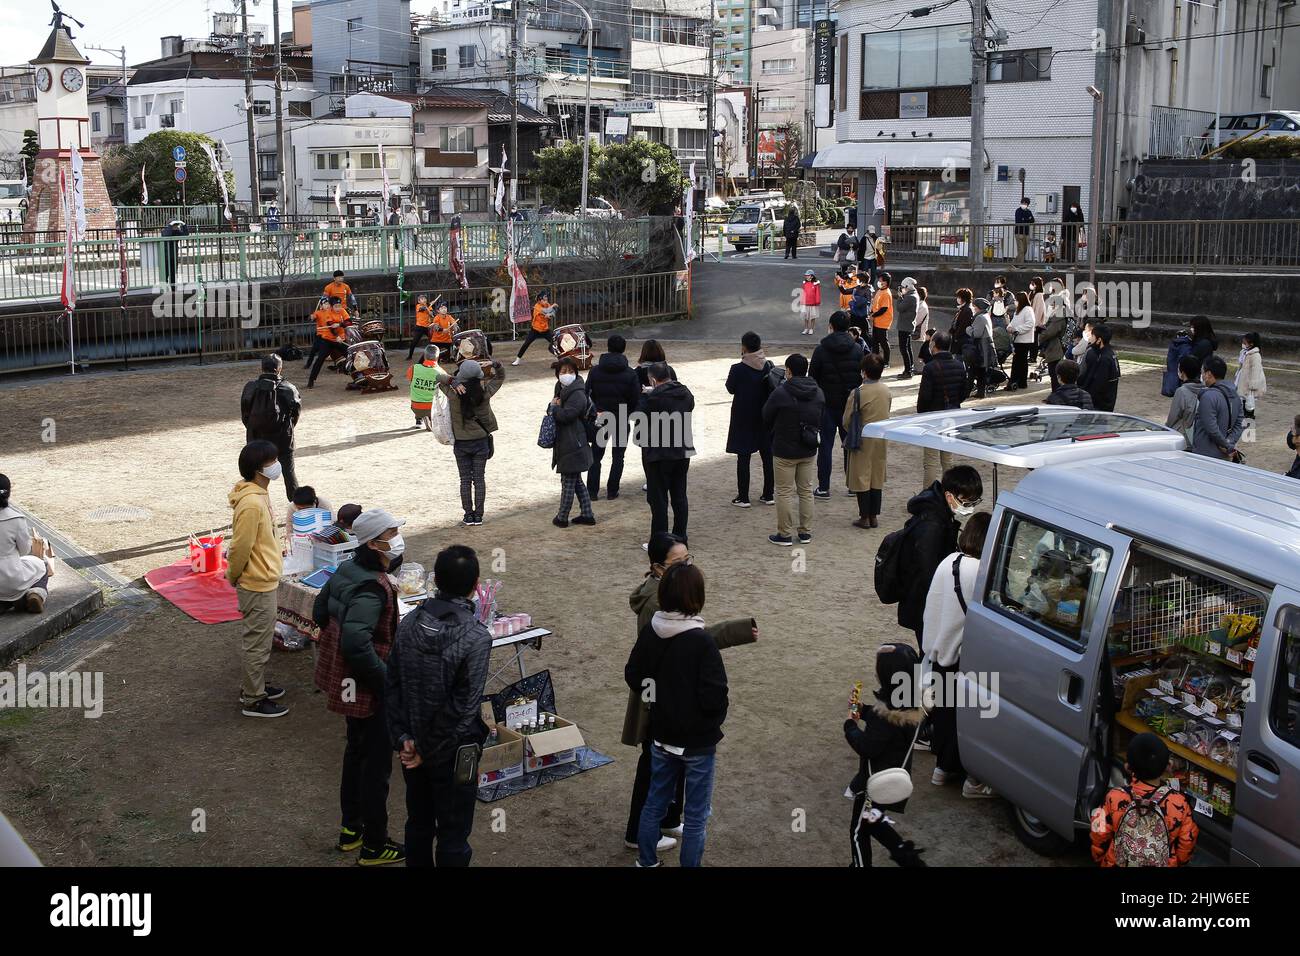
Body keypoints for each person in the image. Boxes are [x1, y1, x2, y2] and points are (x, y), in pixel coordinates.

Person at [623, 533, 756, 852]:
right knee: (654, 766)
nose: (686, 567)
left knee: (669, 761)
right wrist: (735, 631)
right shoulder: (659, 601)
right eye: (678, 563)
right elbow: (685, 641)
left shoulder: (665, 592)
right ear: (657, 568)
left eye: (688, 560)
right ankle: (639, 833)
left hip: (663, 693)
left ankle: (667, 819)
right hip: (662, 695)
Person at [387, 545, 493, 868]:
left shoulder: (410, 623)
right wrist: (422, 748)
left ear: (436, 580)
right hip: (452, 753)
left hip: (413, 747)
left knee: (419, 822)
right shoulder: (476, 638)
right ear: (476, 585)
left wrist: (406, 738)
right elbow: (463, 709)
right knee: (452, 832)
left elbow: (393, 686)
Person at [312, 509, 407, 866]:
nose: (398, 540)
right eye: (393, 533)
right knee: (376, 768)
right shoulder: (372, 586)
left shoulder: (348, 569)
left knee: (356, 754)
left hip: (348, 683)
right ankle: (374, 845)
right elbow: (356, 644)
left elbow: (321, 609)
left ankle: (350, 829)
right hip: (369, 687)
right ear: (374, 542)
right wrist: (386, 684)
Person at [625, 562, 728, 868]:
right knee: (696, 817)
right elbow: (715, 696)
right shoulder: (701, 642)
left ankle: (646, 861)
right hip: (696, 742)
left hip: (660, 735)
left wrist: (655, 699)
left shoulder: (651, 632)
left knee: (654, 803)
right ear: (697, 597)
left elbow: (634, 675)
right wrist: (709, 723)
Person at [921, 512, 993, 796]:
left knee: (945, 715)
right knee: (971, 718)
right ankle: (972, 780)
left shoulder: (948, 562)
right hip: (964, 657)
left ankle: (942, 768)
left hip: (938, 652)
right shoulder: (979, 572)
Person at [844, 643, 928, 868]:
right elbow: (888, 722)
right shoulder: (909, 704)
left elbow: (867, 746)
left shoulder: (885, 717)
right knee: (874, 822)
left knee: (859, 830)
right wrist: (864, 711)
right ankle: (907, 858)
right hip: (895, 774)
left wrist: (850, 726)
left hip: (875, 782)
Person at [226, 441, 289, 719]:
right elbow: (240, 547)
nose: (278, 465)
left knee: (261, 640)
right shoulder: (252, 503)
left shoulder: (259, 494)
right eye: (272, 461)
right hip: (257, 583)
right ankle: (253, 698)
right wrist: (233, 576)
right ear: (259, 469)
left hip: (263, 579)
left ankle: (256, 686)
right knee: (258, 643)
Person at [894, 465, 983, 651]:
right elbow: (928, 573)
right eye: (967, 503)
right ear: (950, 496)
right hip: (924, 603)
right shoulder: (932, 525)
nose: (970, 508)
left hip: (922, 600)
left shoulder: (939, 513)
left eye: (975, 502)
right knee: (930, 653)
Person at [1090, 732, 1198, 867]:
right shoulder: (1178, 802)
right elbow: (1187, 841)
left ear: (1128, 767)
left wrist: (1101, 858)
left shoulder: (1115, 797)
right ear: (1168, 766)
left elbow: (1098, 831)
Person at [762, 353, 825, 546]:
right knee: (805, 490)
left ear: (788, 371)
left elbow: (766, 415)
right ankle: (805, 532)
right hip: (808, 447)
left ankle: (785, 534)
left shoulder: (781, 392)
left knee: (783, 492)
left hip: (784, 449)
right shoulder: (817, 391)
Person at [443, 356, 505, 526]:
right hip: (480, 441)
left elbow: (437, 377)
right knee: (479, 478)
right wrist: (494, 364)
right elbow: (500, 376)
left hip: (461, 442)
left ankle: (468, 515)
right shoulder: (485, 391)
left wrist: (453, 381)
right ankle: (479, 515)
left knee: (464, 480)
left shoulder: (453, 393)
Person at [638, 361, 696, 541]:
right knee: (679, 496)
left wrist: (648, 395)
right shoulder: (686, 394)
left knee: (659, 500)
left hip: (659, 454)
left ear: (653, 380)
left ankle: (660, 539)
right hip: (681, 451)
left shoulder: (653, 400)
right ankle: (680, 535)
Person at [810, 311, 865, 499]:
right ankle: (852, 485)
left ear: (831, 326)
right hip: (849, 404)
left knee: (825, 445)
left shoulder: (821, 350)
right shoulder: (857, 349)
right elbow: (861, 377)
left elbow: (813, 378)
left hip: (826, 403)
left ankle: (824, 486)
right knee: (850, 444)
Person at [586, 335, 641, 501]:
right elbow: (635, 398)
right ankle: (612, 490)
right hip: (621, 417)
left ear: (608, 348)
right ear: (623, 349)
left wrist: (595, 411)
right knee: (618, 456)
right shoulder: (630, 373)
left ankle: (592, 491)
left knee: (596, 456)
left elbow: (587, 393)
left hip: (601, 416)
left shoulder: (595, 371)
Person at [241, 354, 301, 501]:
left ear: (262, 368)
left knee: (254, 474)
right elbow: (296, 413)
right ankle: (298, 507)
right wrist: (287, 427)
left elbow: (245, 414)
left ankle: (252, 502)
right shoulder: (288, 388)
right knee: (289, 473)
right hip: (283, 438)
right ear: (280, 368)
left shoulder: (250, 387)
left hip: (256, 438)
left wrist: (253, 428)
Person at [725, 332, 775, 507]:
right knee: (767, 456)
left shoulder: (737, 369)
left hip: (743, 415)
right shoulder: (768, 366)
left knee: (743, 456)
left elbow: (730, 388)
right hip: (764, 415)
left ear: (744, 347)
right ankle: (768, 494)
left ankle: (743, 496)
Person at [916, 331, 971, 486]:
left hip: (933, 417)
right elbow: (964, 392)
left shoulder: (930, 367)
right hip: (951, 415)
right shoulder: (959, 366)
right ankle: (950, 492)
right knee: (947, 459)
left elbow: (925, 397)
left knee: (931, 460)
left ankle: (928, 495)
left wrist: (921, 414)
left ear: (935, 345)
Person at [844, 354, 891, 529]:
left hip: (862, 437)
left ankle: (864, 516)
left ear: (863, 372)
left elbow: (846, 420)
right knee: (876, 476)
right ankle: (874, 515)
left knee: (861, 477)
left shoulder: (858, 392)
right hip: (880, 437)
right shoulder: (886, 391)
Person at [549, 357, 597, 527]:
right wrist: (554, 406)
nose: (567, 375)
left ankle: (562, 517)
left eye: (570, 371)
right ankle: (587, 514)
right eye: (563, 372)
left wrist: (554, 408)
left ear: (576, 373)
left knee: (568, 481)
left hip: (573, 441)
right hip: (569, 440)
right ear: (557, 374)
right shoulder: (561, 389)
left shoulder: (577, 393)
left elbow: (567, 415)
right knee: (576, 481)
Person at [0, 475, 52, 614]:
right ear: (8, 492)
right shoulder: (15, 518)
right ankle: (36, 594)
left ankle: (5, 603)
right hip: (11, 577)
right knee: (42, 565)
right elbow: (24, 550)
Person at [1191, 355, 1245, 461]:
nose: (1201, 375)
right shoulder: (1235, 396)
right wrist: (1229, 442)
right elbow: (1240, 423)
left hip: (1204, 454)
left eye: (1203, 372)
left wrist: (1226, 445)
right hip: (1224, 455)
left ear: (1209, 374)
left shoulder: (1208, 397)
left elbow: (1211, 428)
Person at [307, 296, 350, 389]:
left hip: (340, 339)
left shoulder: (342, 310)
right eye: (336, 306)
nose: (338, 308)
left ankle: (355, 374)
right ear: (331, 306)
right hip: (328, 340)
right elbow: (331, 327)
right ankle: (311, 380)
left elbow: (349, 322)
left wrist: (339, 324)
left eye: (339, 305)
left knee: (350, 354)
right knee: (320, 359)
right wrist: (336, 336)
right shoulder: (328, 312)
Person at [1077, 322, 1120, 412]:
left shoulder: (1104, 359)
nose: (1090, 339)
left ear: (1099, 340)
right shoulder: (1111, 354)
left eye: (1092, 336)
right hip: (1107, 402)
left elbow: (1098, 384)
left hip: (1101, 405)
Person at [406, 344, 447, 430]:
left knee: (416, 390)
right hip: (432, 408)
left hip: (416, 407)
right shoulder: (441, 372)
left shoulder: (413, 368)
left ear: (424, 356)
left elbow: (410, 379)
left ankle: (418, 420)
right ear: (437, 357)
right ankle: (431, 418)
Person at [1165, 354, 1204, 445]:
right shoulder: (1205, 389)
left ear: (1182, 373)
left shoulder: (1181, 392)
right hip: (1199, 437)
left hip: (1183, 438)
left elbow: (1173, 418)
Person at [1234, 331, 1266, 437]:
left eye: (1245, 341)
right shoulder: (1244, 352)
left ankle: (1249, 418)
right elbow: (1241, 364)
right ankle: (1244, 417)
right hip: (1243, 378)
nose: (1243, 342)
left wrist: (1253, 384)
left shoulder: (1255, 355)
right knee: (1243, 398)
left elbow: (1256, 370)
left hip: (1249, 381)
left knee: (1249, 401)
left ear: (1251, 343)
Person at [1038, 285, 1069, 391]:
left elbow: (1050, 332)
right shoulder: (1064, 313)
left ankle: (1056, 394)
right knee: (1054, 372)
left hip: (1055, 347)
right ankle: (1056, 393)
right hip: (1058, 346)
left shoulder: (1059, 315)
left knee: (1054, 372)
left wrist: (1040, 336)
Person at [512, 292, 556, 365]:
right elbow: (545, 311)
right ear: (539, 300)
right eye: (544, 299)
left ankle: (561, 358)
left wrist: (550, 314)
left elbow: (553, 312)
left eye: (546, 298)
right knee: (526, 344)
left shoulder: (547, 305)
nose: (546, 300)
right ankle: (517, 359)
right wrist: (552, 307)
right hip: (535, 330)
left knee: (555, 343)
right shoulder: (537, 306)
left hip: (545, 330)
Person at [1006, 291, 1035, 391]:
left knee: (1021, 362)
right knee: (1019, 362)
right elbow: (1013, 322)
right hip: (1018, 339)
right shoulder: (1018, 310)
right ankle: (1019, 382)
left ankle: (1020, 381)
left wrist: (1017, 329)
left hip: (1024, 340)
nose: (1015, 302)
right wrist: (1009, 327)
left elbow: (1030, 323)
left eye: (1016, 300)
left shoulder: (1028, 309)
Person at [894, 277, 920, 380]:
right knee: (907, 348)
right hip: (908, 325)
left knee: (904, 348)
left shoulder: (910, 297)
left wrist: (900, 297)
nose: (902, 289)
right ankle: (910, 368)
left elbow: (900, 308)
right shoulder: (914, 295)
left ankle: (908, 370)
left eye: (903, 287)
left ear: (907, 287)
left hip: (905, 326)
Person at [868, 271, 894, 368]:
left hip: (883, 322)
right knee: (875, 342)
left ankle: (886, 362)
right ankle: (876, 360)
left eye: (881, 280)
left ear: (886, 282)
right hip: (877, 321)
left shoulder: (886, 293)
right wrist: (871, 312)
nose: (879, 281)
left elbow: (884, 308)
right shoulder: (880, 290)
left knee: (883, 342)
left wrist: (873, 315)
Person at [160, 217, 188, 285]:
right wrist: (170, 225)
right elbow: (167, 235)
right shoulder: (164, 231)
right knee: (165, 274)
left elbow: (186, 234)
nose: (176, 226)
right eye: (174, 225)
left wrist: (184, 225)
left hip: (174, 256)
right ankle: (164, 289)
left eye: (176, 225)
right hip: (165, 257)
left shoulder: (177, 232)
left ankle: (173, 289)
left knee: (173, 274)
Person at [405, 295, 434, 360]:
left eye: (425, 299)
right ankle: (410, 356)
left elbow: (432, 314)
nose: (424, 300)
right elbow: (422, 309)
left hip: (428, 327)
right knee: (414, 342)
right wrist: (427, 307)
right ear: (419, 301)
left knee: (433, 340)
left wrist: (429, 308)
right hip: (420, 327)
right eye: (422, 299)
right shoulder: (418, 306)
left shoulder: (429, 306)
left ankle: (434, 355)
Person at [799, 269, 821, 336]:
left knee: (812, 316)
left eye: (808, 275)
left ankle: (811, 329)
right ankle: (806, 328)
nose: (806, 277)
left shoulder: (815, 284)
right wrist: (801, 300)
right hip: (805, 303)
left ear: (812, 276)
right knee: (806, 316)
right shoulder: (804, 283)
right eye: (806, 276)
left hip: (813, 303)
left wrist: (817, 301)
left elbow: (817, 293)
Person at [1014, 196, 1035, 263]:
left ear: (1028, 205)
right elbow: (1018, 221)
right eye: (1023, 203)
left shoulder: (1028, 211)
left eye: (1025, 204)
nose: (1024, 205)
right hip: (1019, 232)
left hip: (1026, 233)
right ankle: (1021, 265)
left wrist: (1025, 219)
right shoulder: (1018, 211)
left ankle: (1015, 263)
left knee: (1025, 250)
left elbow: (1032, 220)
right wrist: (1027, 219)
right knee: (1021, 250)